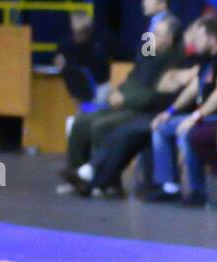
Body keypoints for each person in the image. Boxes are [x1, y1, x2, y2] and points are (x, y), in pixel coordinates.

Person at [57, 4, 181, 192]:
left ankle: (102, 182)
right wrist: (119, 90)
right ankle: (76, 177)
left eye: (158, 34)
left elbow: (157, 92)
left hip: (143, 109)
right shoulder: (150, 45)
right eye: (153, 33)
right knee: (81, 121)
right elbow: (137, 73)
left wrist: (126, 99)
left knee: (102, 125)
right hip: (128, 98)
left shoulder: (173, 56)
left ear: (169, 39)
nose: (152, 36)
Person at [145, 16, 217, 204]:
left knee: (187, 131)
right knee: (161, 127)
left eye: (200, 37)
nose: (195, 41)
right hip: (202, 115)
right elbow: (193, 89)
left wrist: (195, 116)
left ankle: (197, 191)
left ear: (213, 38)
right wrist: (169, 111)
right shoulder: (204, 60)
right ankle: (170, 187)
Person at [54, 11, 113, 105]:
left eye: (81, 31)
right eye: (75, 31)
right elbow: (59, 61)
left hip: (101, 86)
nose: (78, 35)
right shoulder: (66, 45)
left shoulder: (102, 39)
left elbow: (123, 56)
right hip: (77, 90)